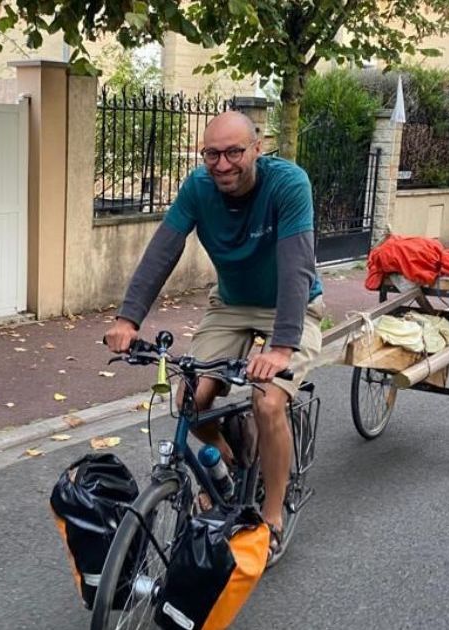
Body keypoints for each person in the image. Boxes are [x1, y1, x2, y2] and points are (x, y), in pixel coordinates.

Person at [103, 110, 324, 564]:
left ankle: (273, 514)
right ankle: (228, 456)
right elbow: (163, 250)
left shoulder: (289, 184)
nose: (222, 164)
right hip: (229, 305)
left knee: (268, 400)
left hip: (290, 305)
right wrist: (128, 319)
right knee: (190, 399)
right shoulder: (198, 188)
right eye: (212, 154)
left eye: (234, 152)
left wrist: (280, 347)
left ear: (257, 149)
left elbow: (296, 266)